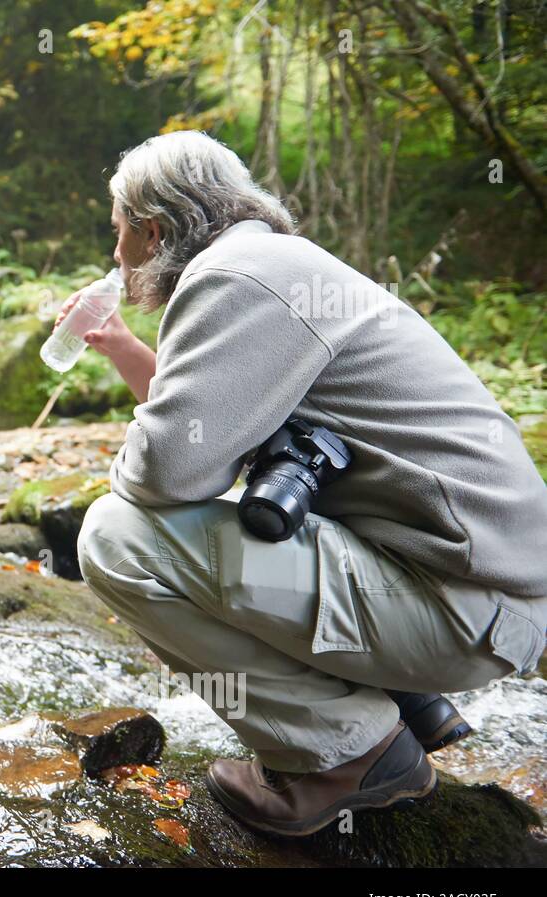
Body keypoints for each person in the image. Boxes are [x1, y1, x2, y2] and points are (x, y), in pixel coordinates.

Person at [58, 130, 547, 836]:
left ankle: (346, 753)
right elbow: (205, 430)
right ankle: (386, 706)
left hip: (465, 606)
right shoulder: (269, 265)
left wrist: (143, 455)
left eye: (117, 233)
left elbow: (164, 474)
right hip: (484, 591)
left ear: (151, 227)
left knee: (114, 535)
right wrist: (130, 351)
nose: (115, 256)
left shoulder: (234, 277)